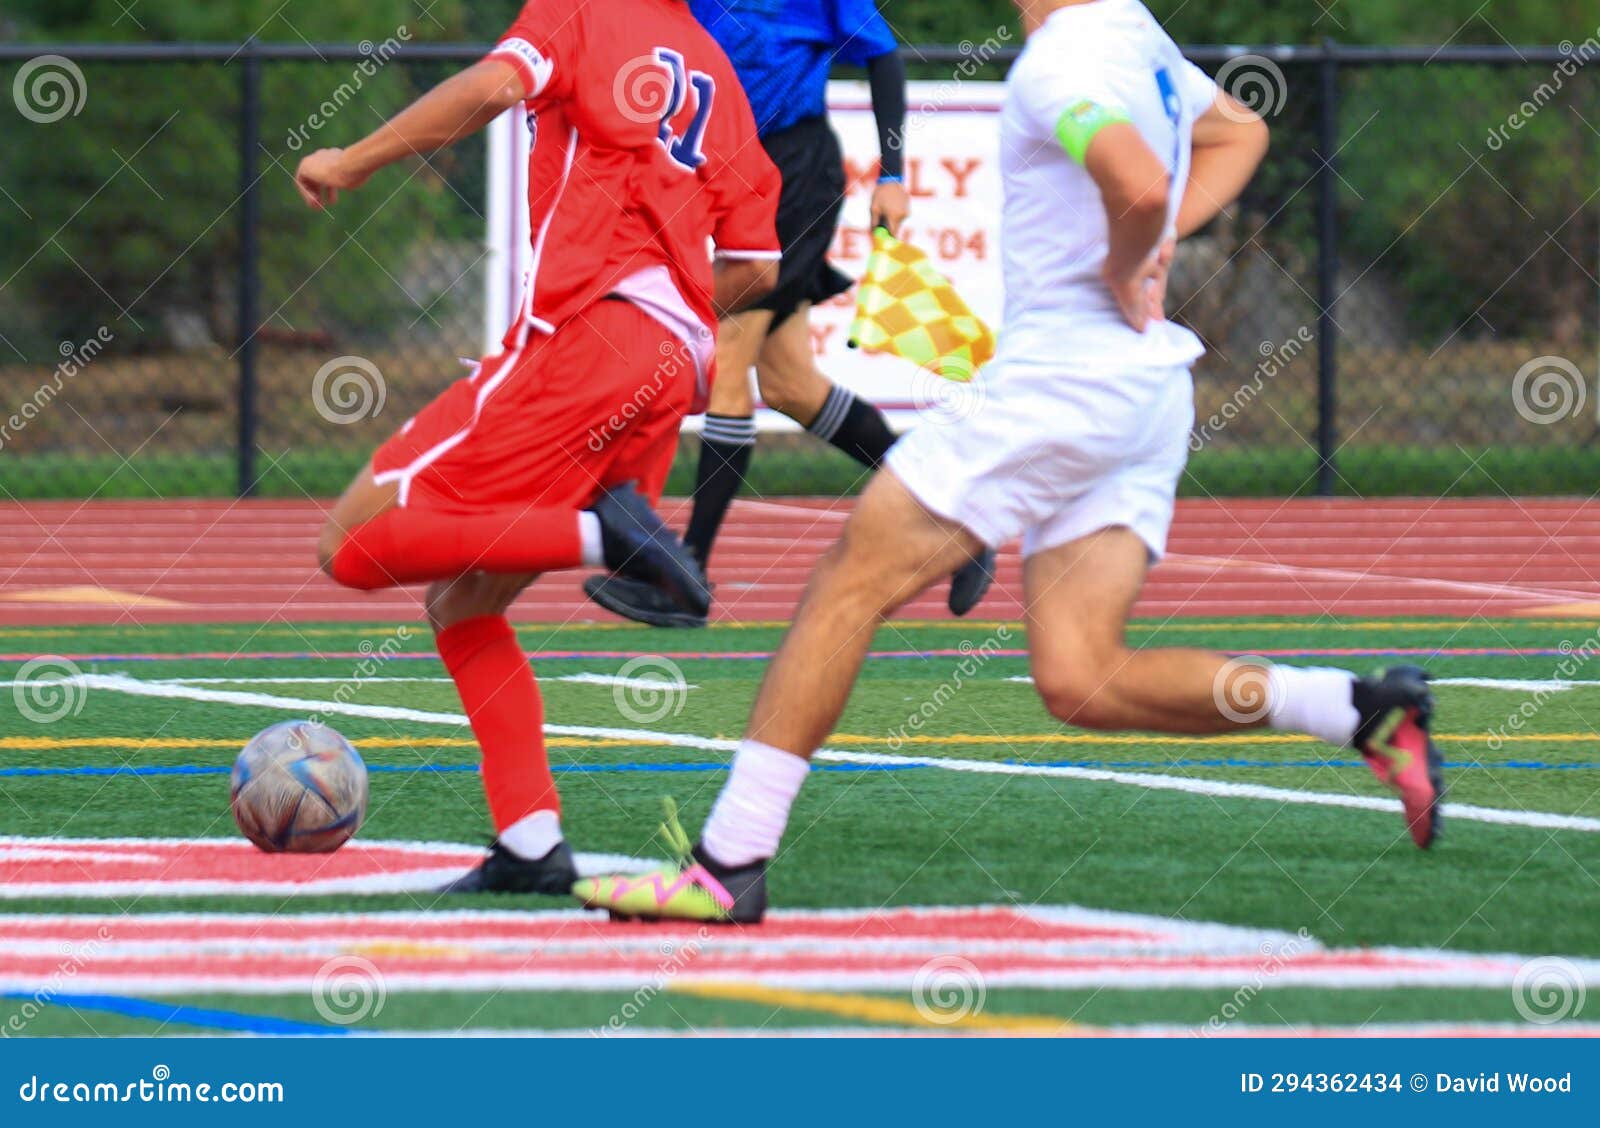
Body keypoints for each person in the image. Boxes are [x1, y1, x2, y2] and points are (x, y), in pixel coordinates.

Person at [575, 0, 1445, 924]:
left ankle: (728, 864)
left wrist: (1135, 251)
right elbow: (1241, 131)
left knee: (845, 585)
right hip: (1145, 391)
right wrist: (1147, 255)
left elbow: (1143, 188)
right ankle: (1360, 709)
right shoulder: (1131, 32)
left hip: (1062, 387)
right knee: (1082, 677)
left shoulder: (1058, 62)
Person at [295, 0, 782, 894]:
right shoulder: (717, 68)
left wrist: (349, 160)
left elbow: (489, 87)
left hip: (586, 344)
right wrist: (666, 307)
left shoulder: (582, 9)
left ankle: (617, 539)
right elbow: (756, 267)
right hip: (671, 367)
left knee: (351, 545)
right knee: (463, 604)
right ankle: (530, 843)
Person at [584, 0, 997, 629]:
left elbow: (883, 57)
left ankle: (686, 576)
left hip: (793, 176)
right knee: (791, 384)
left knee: (727, 366)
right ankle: (957, 519)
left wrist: (891, 174)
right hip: (727, 178)